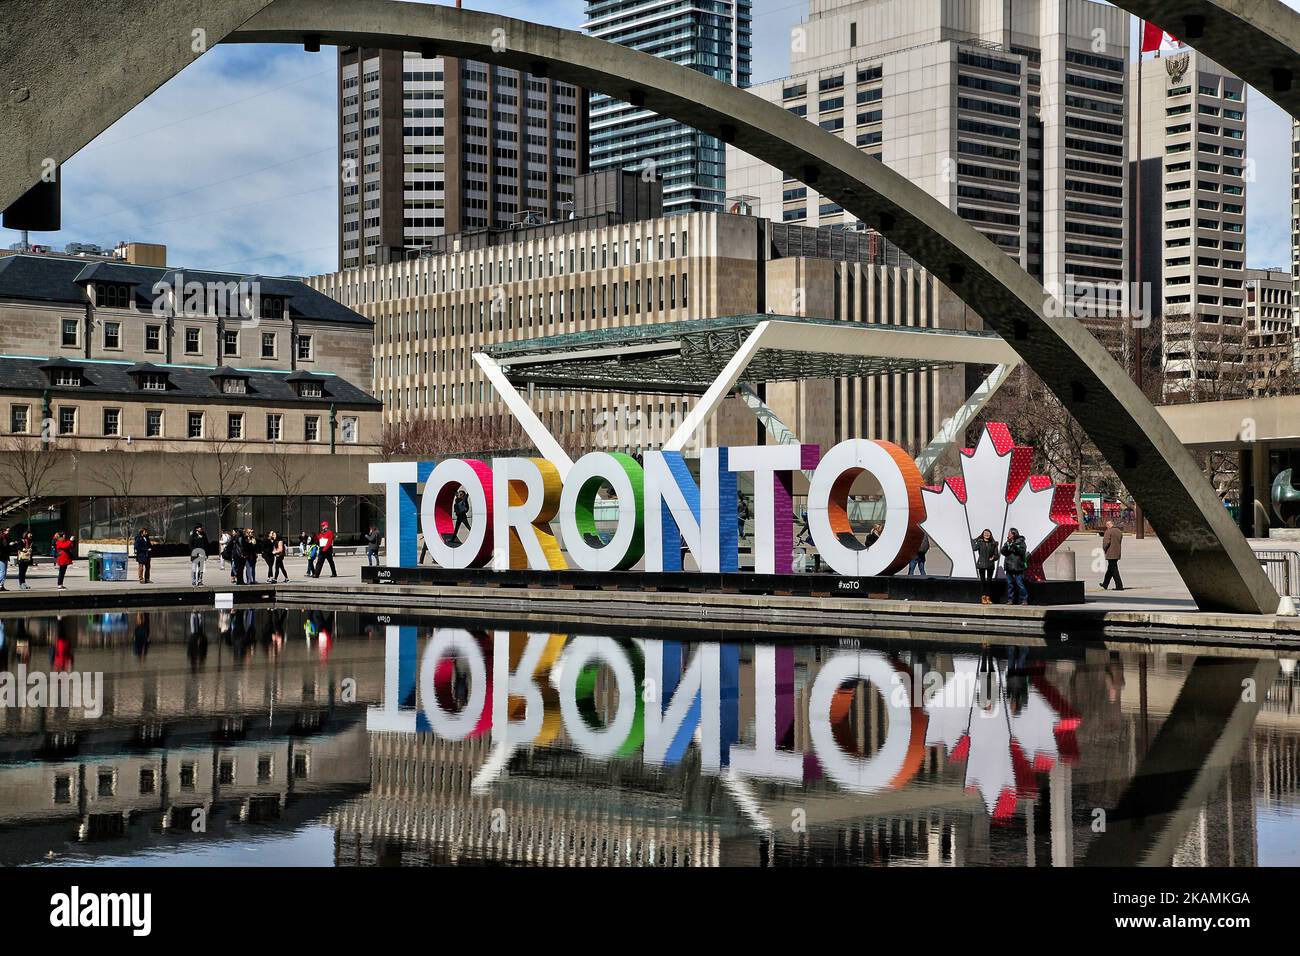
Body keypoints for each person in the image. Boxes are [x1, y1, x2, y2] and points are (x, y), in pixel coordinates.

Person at [1001, 527, 1028, 605]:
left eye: (1010, 533)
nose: (1008, 535)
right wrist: (1006, 545)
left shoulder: (1021, 542)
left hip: (1018, 566)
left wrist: (1014, 546)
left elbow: (1022, 552)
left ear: (1014, 533)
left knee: (1020, 583)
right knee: (1010, 584)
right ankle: (1010, 600)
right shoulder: (1007, 542)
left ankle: (1024, 599)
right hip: (1009, 566)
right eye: (1008, 533)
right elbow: (1003, 552)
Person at [971, 528, 999, 604]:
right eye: (985, 533)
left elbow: (997, 555)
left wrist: (993, 558)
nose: (987, 534)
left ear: (990, 534)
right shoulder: (980, 542)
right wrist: (974, 541)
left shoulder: (994, 543)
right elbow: (974, 548)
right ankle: (983, 597)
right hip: (981, 564)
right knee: (982, 581)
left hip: (990, 564)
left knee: (989, 582)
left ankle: (988, 597)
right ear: (983, 535)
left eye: (988, 533)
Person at [1101, 519, 1124, 591]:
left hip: (1110, 553)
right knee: (1110, 569)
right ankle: (1105, 584)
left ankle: (1119, 586)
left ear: (1108, 525)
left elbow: (1106, 543)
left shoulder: (1108, 532)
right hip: (1117, 552)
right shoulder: (1119, 531)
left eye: (1107, 526)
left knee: (1114, 570)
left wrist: (1104, 549)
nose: (1106, 527)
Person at [0, 526, 10, 591]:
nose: (8, 532)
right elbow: (3, 547)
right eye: (7, 531)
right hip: (2, 557)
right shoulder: (1, 538)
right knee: (3, 571)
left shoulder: (5, 538)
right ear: (3, 531)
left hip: (4, 556)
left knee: (4, 571)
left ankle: (2, 585)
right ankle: (0, 584)